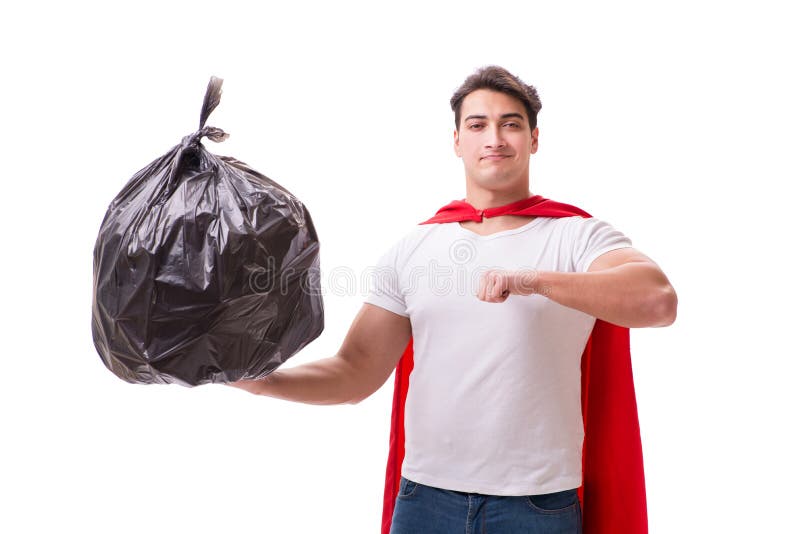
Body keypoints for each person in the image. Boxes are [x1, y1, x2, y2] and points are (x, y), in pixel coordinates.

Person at [229, 65, 678, 534]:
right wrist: (263, 382)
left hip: (536, 508)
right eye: (478, 125)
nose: (495, 138)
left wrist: (533, 280)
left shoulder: (577, 237)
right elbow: (354, 372)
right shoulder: (415, 249)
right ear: (457, 141)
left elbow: (657, 300)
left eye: (511, 123)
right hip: (425, 502)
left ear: (534, 139)